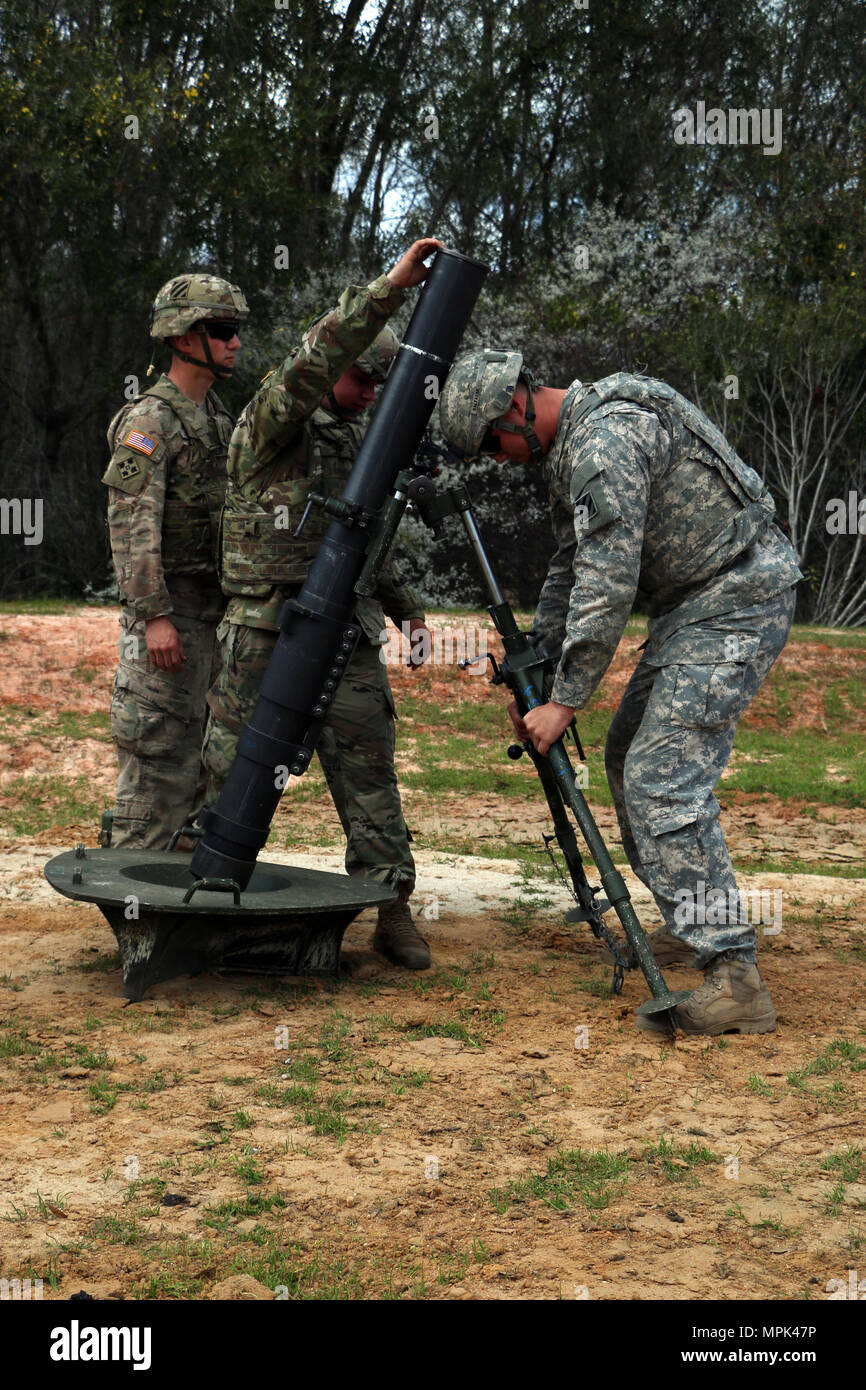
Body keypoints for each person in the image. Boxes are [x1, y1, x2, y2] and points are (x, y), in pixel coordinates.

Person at [438, 351, 802, 1034]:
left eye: (492, 444)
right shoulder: (577, 442)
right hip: (697, 606)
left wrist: (565, 701)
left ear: (515, 407)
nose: (498, 460)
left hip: (736, 599)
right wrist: (534, 667)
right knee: (627, 752)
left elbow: (606, 588)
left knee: (661, 778)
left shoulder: (602, 443)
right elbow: (571, 565)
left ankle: (734, 975)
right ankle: (691, 921)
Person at [202, 238, 442, 970]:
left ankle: (390, 903)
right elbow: (317, 355)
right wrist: (392, 288)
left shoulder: (353, 439)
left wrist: (406, 607)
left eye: (380, 386)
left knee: (367, 767)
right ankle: (207, 895)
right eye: (363, 379)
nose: (372, 394)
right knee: (228, 768)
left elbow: (365, 537)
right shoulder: (275, 420)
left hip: (343, 626)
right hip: (265, 625)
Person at [102, 274, 247, 849]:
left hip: (213, 616)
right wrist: (153, 614)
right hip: (169, 620)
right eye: (224, 331)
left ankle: (184, 916)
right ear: (185, 338)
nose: (236, 343)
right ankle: (135, 915)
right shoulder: (148, 422)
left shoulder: (215, 419)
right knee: (157, 761)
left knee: (205, 767)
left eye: (237, 331)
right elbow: (131, 525)